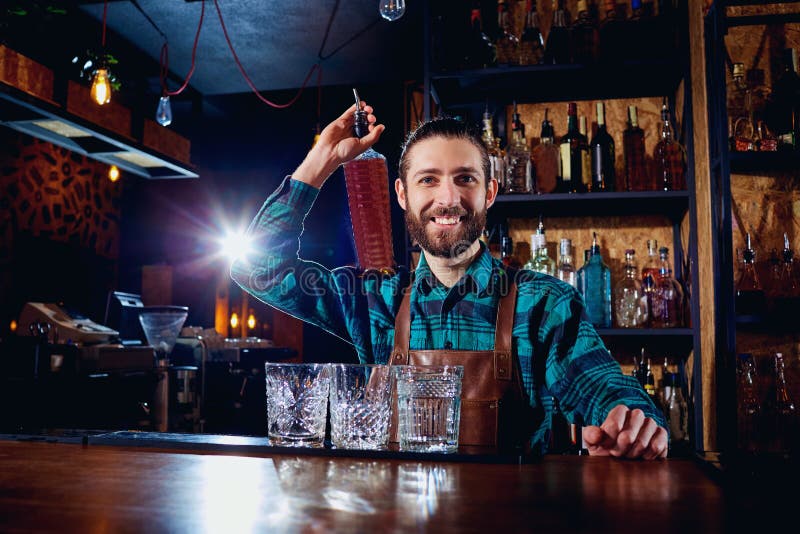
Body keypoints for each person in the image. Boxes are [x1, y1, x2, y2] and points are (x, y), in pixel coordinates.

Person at [231, 102, 669, 459]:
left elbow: (602, 385)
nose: (448, 198)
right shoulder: (373, 298)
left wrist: (628, 419)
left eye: (465, 179)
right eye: (428, 180)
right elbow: (258, 267)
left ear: (489, 193)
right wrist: (319, 162)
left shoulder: (544, 303)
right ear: (402, 195)